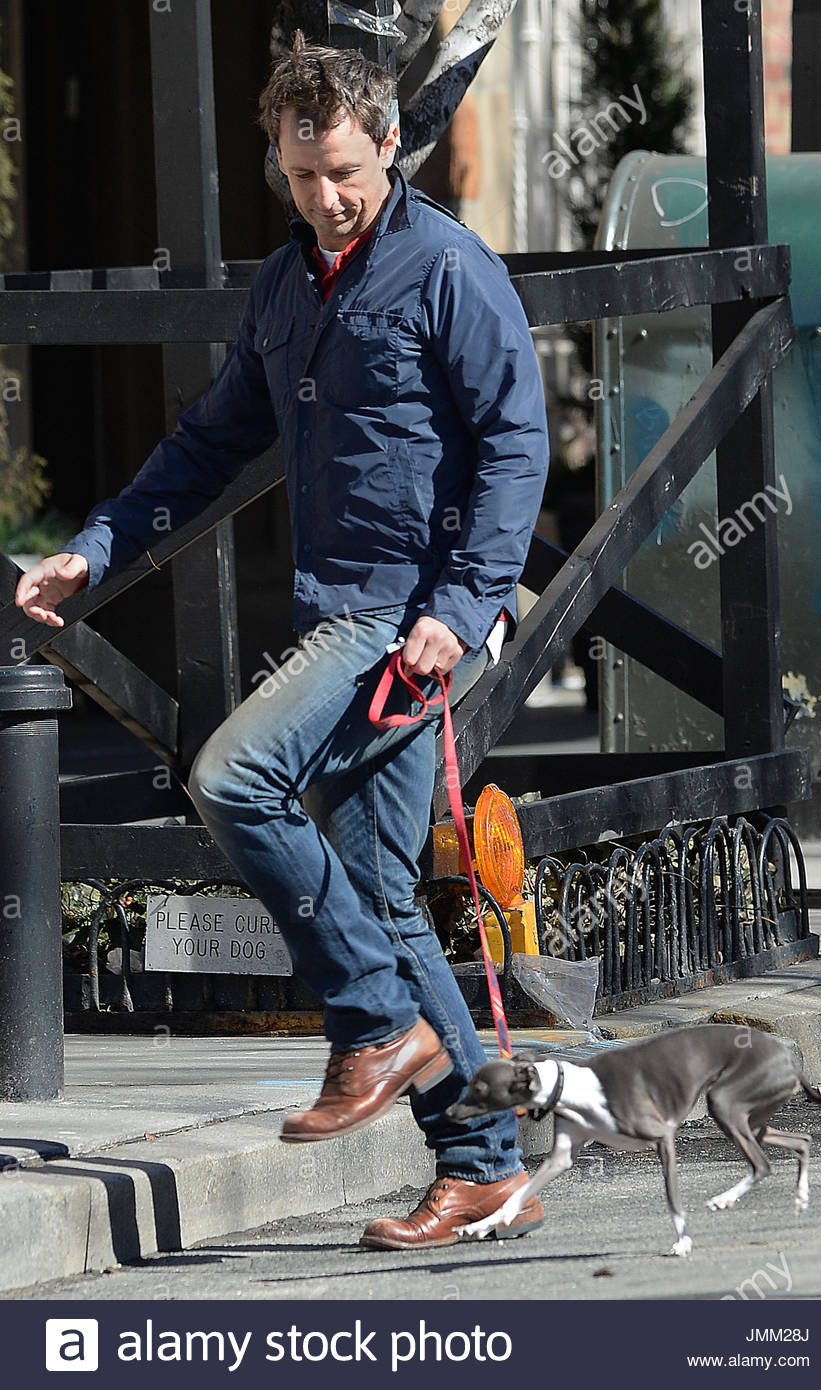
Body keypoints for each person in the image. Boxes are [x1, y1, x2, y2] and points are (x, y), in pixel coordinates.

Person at [16, 33, 550, 1250]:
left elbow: (516, 443)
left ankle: (371, 1022)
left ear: (391, 147)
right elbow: (208, 444)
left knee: (232, 774)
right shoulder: (283, 285)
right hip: (341, 616)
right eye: (302, 176)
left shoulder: (448, 270)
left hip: (409, 619)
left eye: (346, 172)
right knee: (386, 900)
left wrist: (460, 608)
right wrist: (94, 550)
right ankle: (484, 1167)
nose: (325, 197)